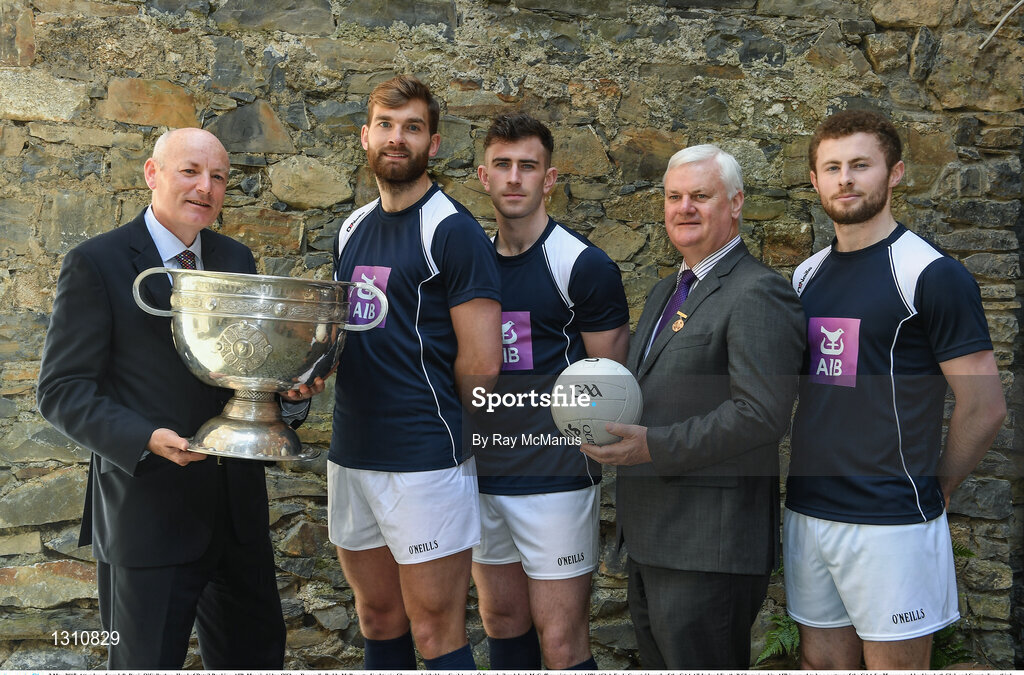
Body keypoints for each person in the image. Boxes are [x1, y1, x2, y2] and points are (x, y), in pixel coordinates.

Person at [36, 127, 323, 668]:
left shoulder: (235, 258)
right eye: (190, 171)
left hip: (238, 515)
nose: (205, 188)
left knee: (258, 660)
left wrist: (289, 396)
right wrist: (145, 439)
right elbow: (61, 390)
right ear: (152, 173)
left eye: (217, 177)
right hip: (149, 511)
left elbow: (252, 371)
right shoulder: (97, 262)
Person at [785, 110, 1006, 669]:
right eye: (831, 167)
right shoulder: (805, 276)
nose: (845, 179)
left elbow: (983, 407)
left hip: (892, 520)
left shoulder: (929, 274)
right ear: (814, 181)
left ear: (896, 172)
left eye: (861, 165)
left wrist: (938, 488)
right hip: (810, 511)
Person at [582, 144, 805, 668]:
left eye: (700, 196)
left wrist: (652, 447)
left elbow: (762, 413)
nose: (684, 208)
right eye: (674, 197)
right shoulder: (666, 290)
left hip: (710, 545)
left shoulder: (758, 293)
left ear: (735, 203)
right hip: (654, 537)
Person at [327, 75, 502, 670]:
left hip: (423, 459)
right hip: (352, 451)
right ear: (365, 136)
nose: (396, 138)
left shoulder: (452, 230)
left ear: (433, 142)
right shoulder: (350, 229)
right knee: (377, 616)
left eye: (412, 127)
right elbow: (346, 336)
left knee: (434, 628)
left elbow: (482, 362)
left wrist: (444, 438)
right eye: (385, 124)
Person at [471, 112, 629, 669]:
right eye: (502, 165)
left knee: (561, 641)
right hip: (483, 475)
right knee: (502, 624)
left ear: (550, 178)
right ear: (483, 177)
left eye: (528, 166)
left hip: (556, 480)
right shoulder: (470, 263)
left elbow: (610, 380)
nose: (515, 178)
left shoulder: (582, 265)